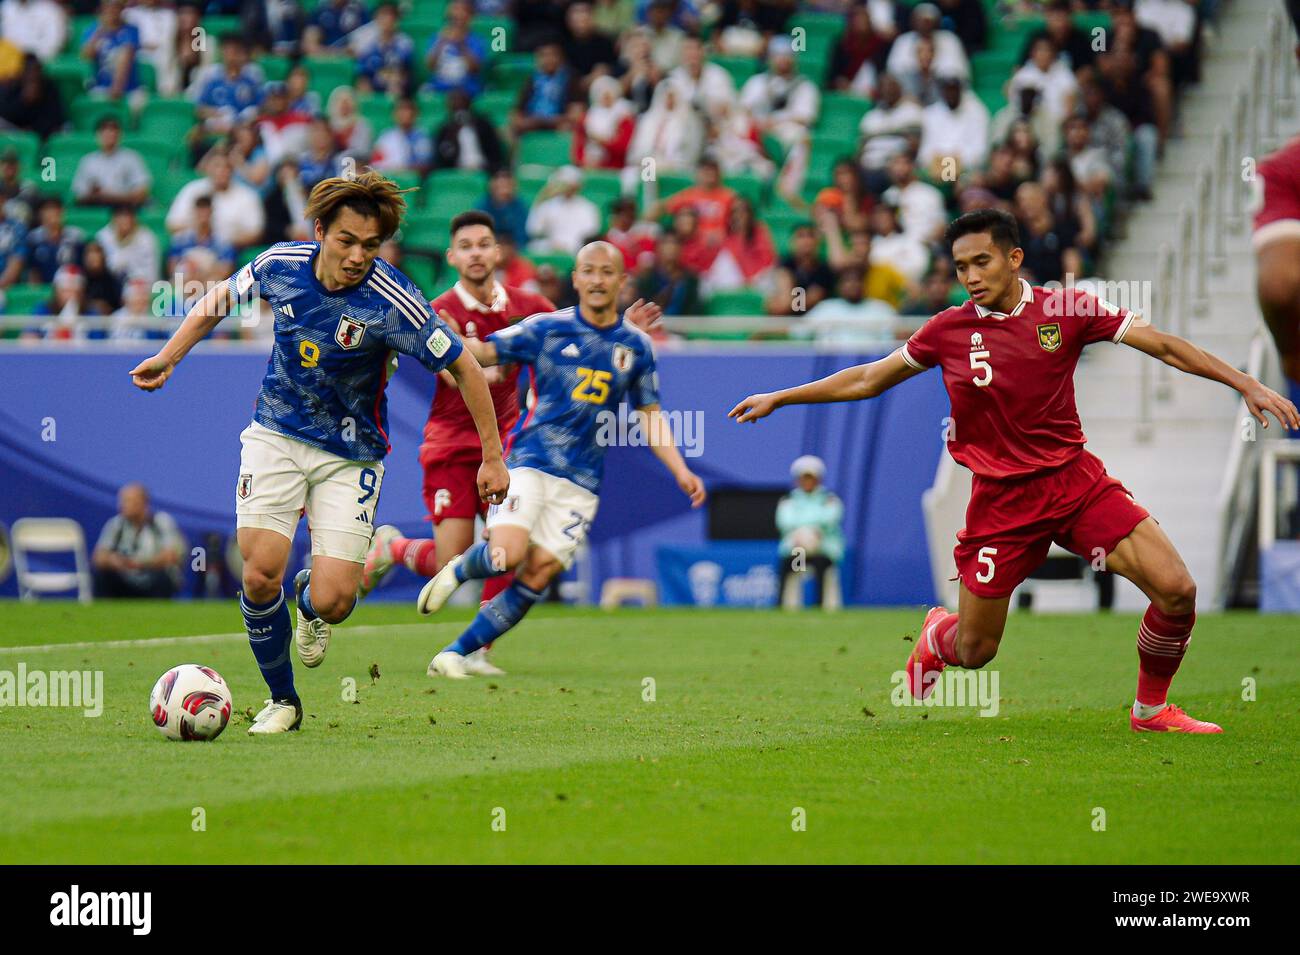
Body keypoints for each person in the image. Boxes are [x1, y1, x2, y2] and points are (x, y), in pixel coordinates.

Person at [730, 208, 1300, 734]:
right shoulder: (946, 329)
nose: (971, 276)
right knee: (976, 651)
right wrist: (782, 397)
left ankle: (1150, 711)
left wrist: (1243, 382)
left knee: (1176, 590)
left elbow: (1163, 346)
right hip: (1002, 502)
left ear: (1014, 257)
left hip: (1075, 483)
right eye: (961, 267)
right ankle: (938, 634)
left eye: (981, 261)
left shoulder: (1068, 310)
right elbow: (867, 379)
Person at [128, 171, 509, 735]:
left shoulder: (393, 301)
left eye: (370, 245)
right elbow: (218, 299)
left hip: (350, 456)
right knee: (261, 574)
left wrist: (492, 456)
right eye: (347, 241)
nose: (358, 257)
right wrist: (169, 355)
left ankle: (310, 602)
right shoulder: (280, 264)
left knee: (336, 602)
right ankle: (283, 700)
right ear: (320, 231)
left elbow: (464, 366)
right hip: (276, 435)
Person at [414, 240, 705, 678]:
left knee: (538, 573)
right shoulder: (546, 328)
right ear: (576, 279)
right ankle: (459, 569)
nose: (597, 280)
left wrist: (680, 469)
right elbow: (484, 353)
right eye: (589, 271)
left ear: (622, 281)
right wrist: (436, 333)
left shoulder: (636, 347)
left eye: (607, 272)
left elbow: (650, 414)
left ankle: (455, 654)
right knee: (506, 555)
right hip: (530, 462)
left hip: (582, 481)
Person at [356, 211, 557, 674]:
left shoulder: (528, 305)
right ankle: (391, 548)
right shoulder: (437, 310)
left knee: (506, 546)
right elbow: (457, 374)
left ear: (498, 252)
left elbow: (574, 330)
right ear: (452, 257)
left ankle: (477, 651)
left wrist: (617, 326)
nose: (476, 254)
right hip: (450, 445)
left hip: (505, 447)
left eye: (483, 244)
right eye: (466, 247)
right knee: (450, 558)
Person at [775, 456, 845, 610]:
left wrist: (810, 530)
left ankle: (822, 605)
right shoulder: (789, 500)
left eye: (811, 478)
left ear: (818, 479)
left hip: (822, 551)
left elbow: (830, 520)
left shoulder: (829, 499)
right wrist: (804, 532)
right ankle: (790, 606)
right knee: (795, 566)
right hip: (798, 551)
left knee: (821, 566)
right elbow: (785, 522)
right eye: (804, 478)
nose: (807, 482)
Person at [92, 483, 184, 598]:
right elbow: (98, 557)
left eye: (128, 501)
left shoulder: (161, 522)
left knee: (165, 576)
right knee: (102, 574)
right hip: (124, 578)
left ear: (143, 503)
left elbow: (172, 555)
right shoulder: (116, 524)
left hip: (153, 578)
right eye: (122, 501)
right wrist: (115, 561)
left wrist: (142, 564)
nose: (122, 505)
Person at [71, 116, 151, 208]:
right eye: (105, 131)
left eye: (113, 130)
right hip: (96, 208)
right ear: (97, 135)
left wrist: (110, 196)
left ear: (120, 135)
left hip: (125, 209)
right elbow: (79, 195)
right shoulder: (88, 160)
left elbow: (142, 191)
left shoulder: (131, 158)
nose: (109, 134)